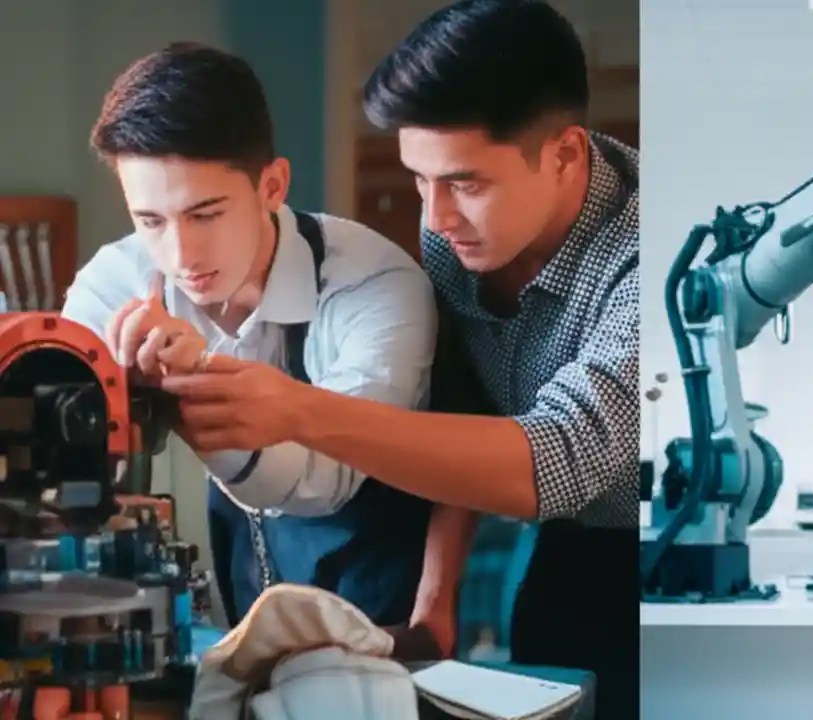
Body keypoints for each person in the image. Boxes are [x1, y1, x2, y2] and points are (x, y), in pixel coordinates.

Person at [160, 0, 639, 715]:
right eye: (421, 179)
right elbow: (463, 389)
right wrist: (435, 598)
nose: (436, 217)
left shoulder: (651, 262)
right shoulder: (458, 223)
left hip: (655, 549)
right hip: (566, 547)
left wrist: (296, 408)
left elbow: (552, 457)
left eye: (466, 184)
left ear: (566, 153)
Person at [61, 42, 443, 636]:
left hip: (376, 621)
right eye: (150, 221)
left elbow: (328, 479)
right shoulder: (114, 285)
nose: (181, 254)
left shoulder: (374, 283)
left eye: (206, 213)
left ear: (272, 186)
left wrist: (196, 386)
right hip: (237, 609)